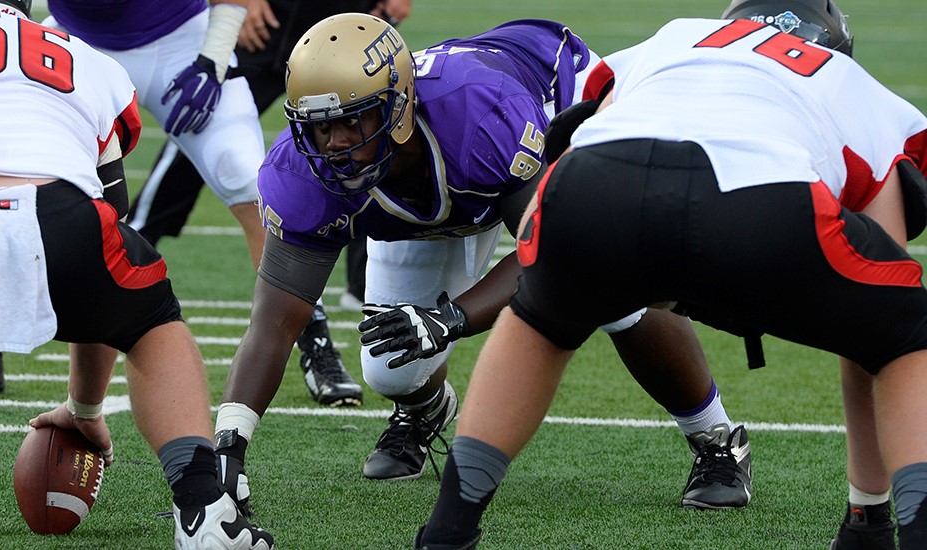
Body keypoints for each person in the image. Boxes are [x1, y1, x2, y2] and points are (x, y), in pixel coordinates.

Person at [413, 0, 927, 548]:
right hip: (760, 197)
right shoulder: (850, 82)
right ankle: (884, 526)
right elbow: (876, 318)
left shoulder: (674, 37)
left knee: (539, 319)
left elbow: (589, 124)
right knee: (901, 335)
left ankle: (448, 530)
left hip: (593, 183)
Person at [213, 12, 754, 519]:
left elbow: (550, 247)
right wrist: (228, 452)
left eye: (352, 122)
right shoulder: (299, 170)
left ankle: (718, 441)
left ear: (398, 107)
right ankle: (425, 409)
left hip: (548, 115)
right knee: (389, 366)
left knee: (609, 280)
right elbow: (274, 321)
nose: (334, 144)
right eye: (319, 126)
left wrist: (449, 320)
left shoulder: (478, 111)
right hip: (431, 190)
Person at [0, 0, 274, 548]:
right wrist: (84, 408)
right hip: (59, 224)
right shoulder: (88, 59)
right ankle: (204, 510)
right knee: (151, 319)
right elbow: (108, 227)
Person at [0, 0, 270, 401]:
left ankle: (309, 336)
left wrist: (213, 58)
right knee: (7, 176)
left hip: (181, 41)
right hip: (78, 43)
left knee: (247, 177)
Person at [129, 0, 413, 410]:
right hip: (265, 20)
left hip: (349, 27)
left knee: (370, 151)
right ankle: (127, 243)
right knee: (213, 156)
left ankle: (340, 319)